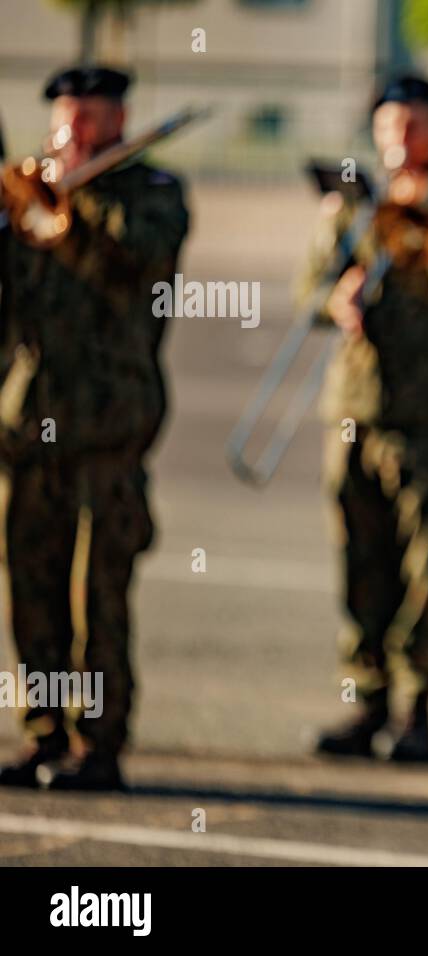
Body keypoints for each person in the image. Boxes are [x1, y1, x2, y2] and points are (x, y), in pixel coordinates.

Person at [0, 65, 189, 790]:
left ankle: (98, 744)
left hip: (109, 425)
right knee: (30, 590)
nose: (74, 132)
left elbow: (134, 264)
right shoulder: (25, 190)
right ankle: (43, 733)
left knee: (95, 598)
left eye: (90, 119)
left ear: (119, 120)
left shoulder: (153, 196)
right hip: (28, 422)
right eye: (65, 119)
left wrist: (69, 203)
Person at [307, 74, 428, 762]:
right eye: (390, 128)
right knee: (361, 559)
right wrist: (338, 296)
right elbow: (313, 286)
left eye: (414, 126)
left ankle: (418, 710)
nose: (400, 142)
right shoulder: (358, 197)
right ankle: (365, 701)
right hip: (358, 407)